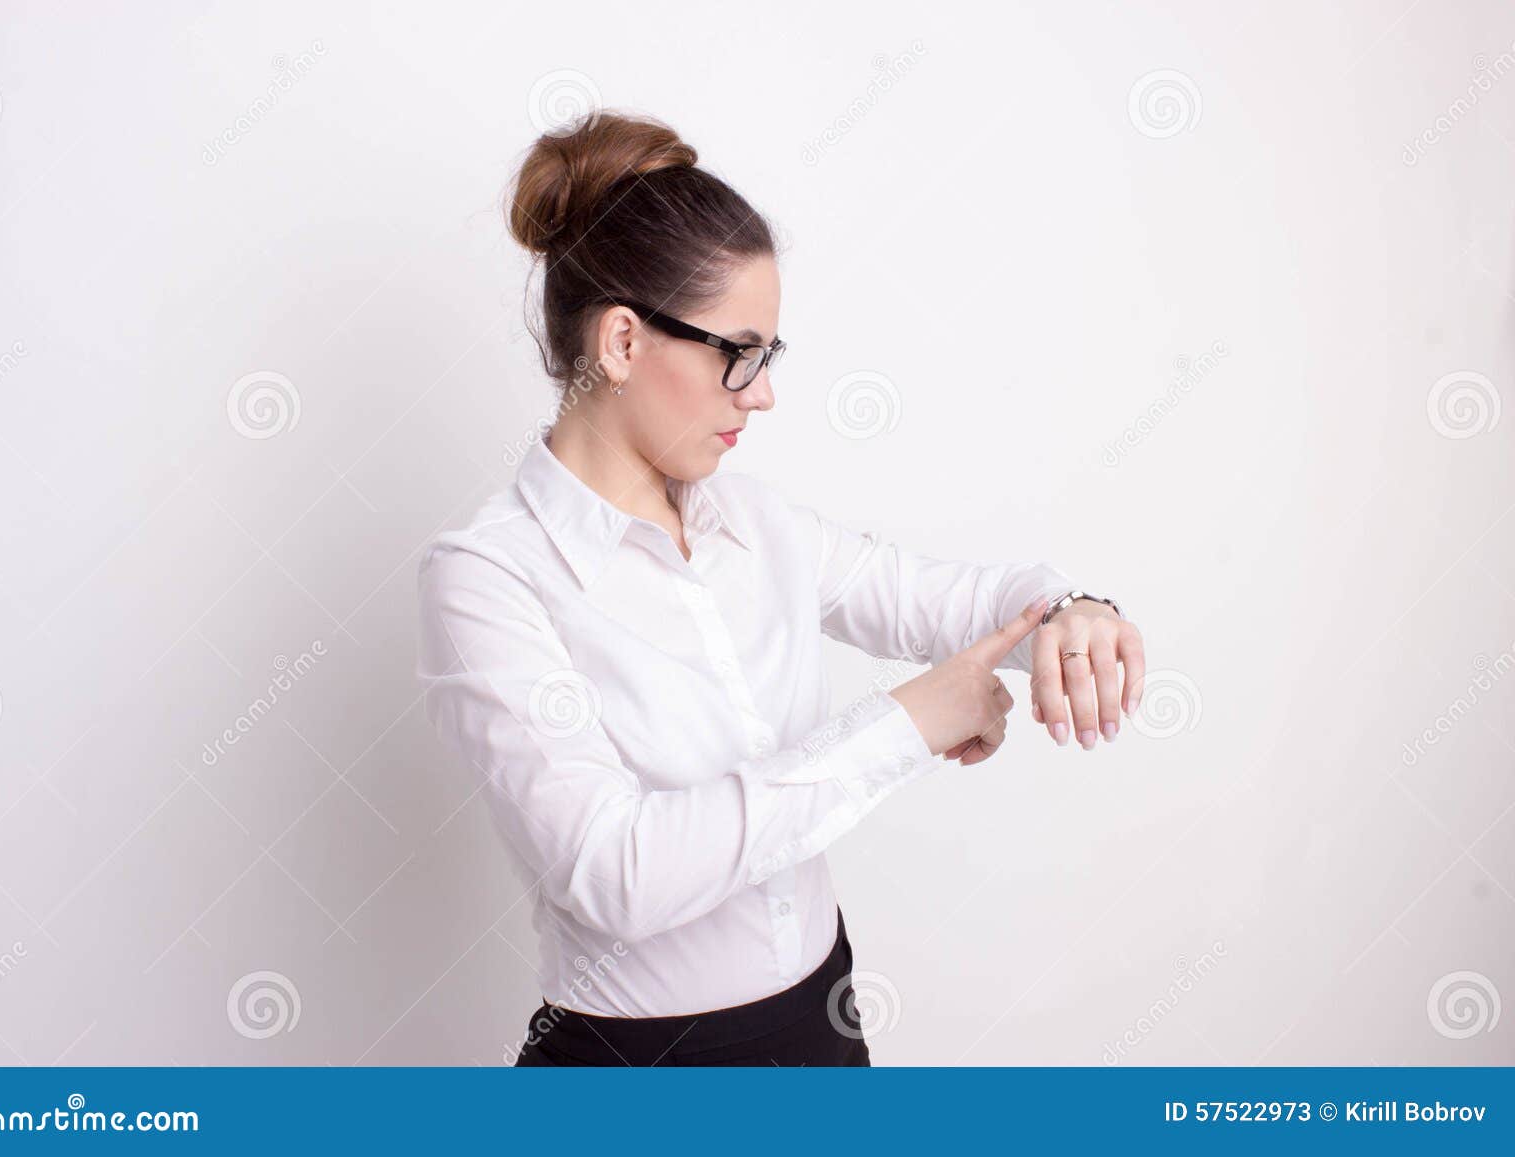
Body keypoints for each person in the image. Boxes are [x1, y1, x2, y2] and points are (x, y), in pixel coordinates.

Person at [415, 109, 1145, 1066]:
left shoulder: (758, 526)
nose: (762, 393)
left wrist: (1071, 607)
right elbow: (614, 870)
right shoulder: (488, 578)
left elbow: (949, 597)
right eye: (741, 352)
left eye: (771, 357)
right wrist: (907, 723)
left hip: (823, 1033)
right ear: (624, 344)